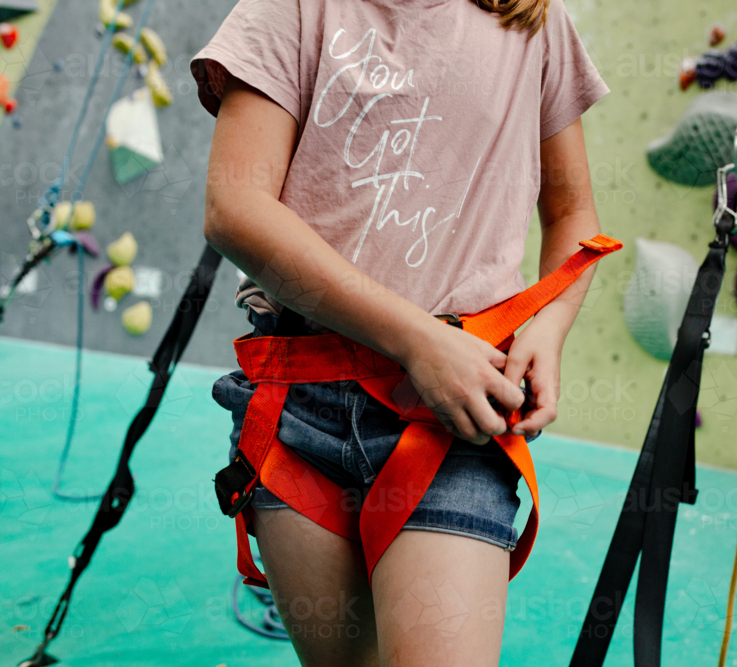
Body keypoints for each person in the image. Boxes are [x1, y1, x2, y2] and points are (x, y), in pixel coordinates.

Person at [190, 0, 609, 664]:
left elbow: (572, 210)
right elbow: (235, 207)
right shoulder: (291, 7)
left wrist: (548, 325)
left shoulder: (530, 21)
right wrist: (418, 339)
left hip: (453, 415)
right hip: (303, 405)